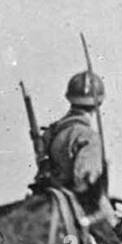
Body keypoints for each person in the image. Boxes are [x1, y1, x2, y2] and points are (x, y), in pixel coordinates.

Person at [40, 71, 111, 216]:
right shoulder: (88, 136)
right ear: (98, 104)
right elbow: (85, 181)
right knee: (114, 228)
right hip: (77, 205)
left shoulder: (52, 131)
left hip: (51, 196)